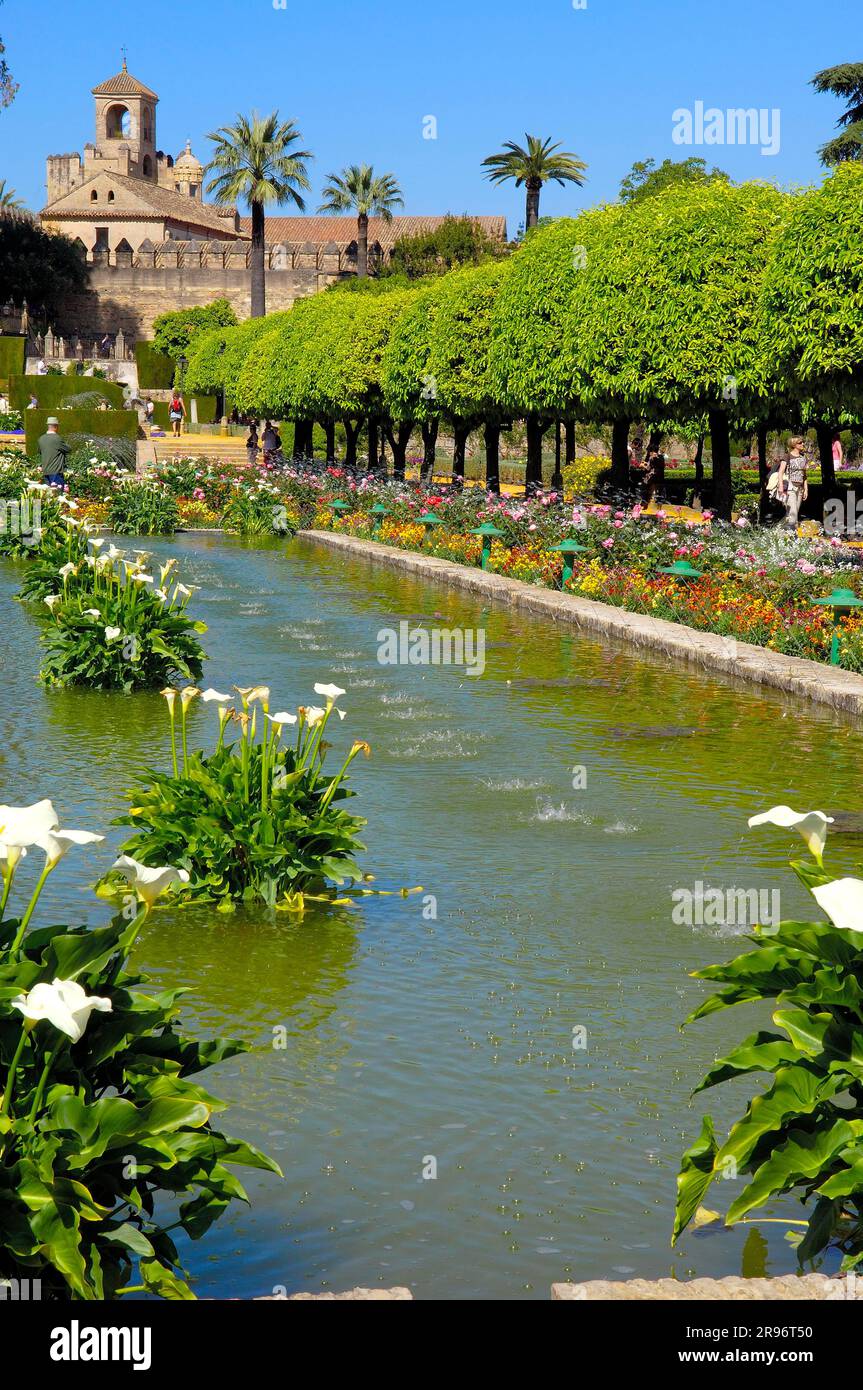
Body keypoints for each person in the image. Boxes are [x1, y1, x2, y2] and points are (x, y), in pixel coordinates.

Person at [776, 437, 809, 530]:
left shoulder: (803, 458)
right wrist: (781, 487)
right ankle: (792, 536)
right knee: (793, 514)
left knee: (791, 514)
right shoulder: (787, 456)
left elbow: (804, 475)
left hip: (800, 489)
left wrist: (806, 489)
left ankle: (778, 531)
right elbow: (781, 472)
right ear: (794, 445)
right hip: (790, 488)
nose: (802, 444)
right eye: (800, 443)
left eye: (802, 442)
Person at [38, 416, 70, 486]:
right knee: (58, 494)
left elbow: (40, 452)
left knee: (49, 494)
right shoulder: (57, 438)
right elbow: (68, 449)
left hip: (45, 471)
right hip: (56, 472)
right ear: (55, 426)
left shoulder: (41, 439)